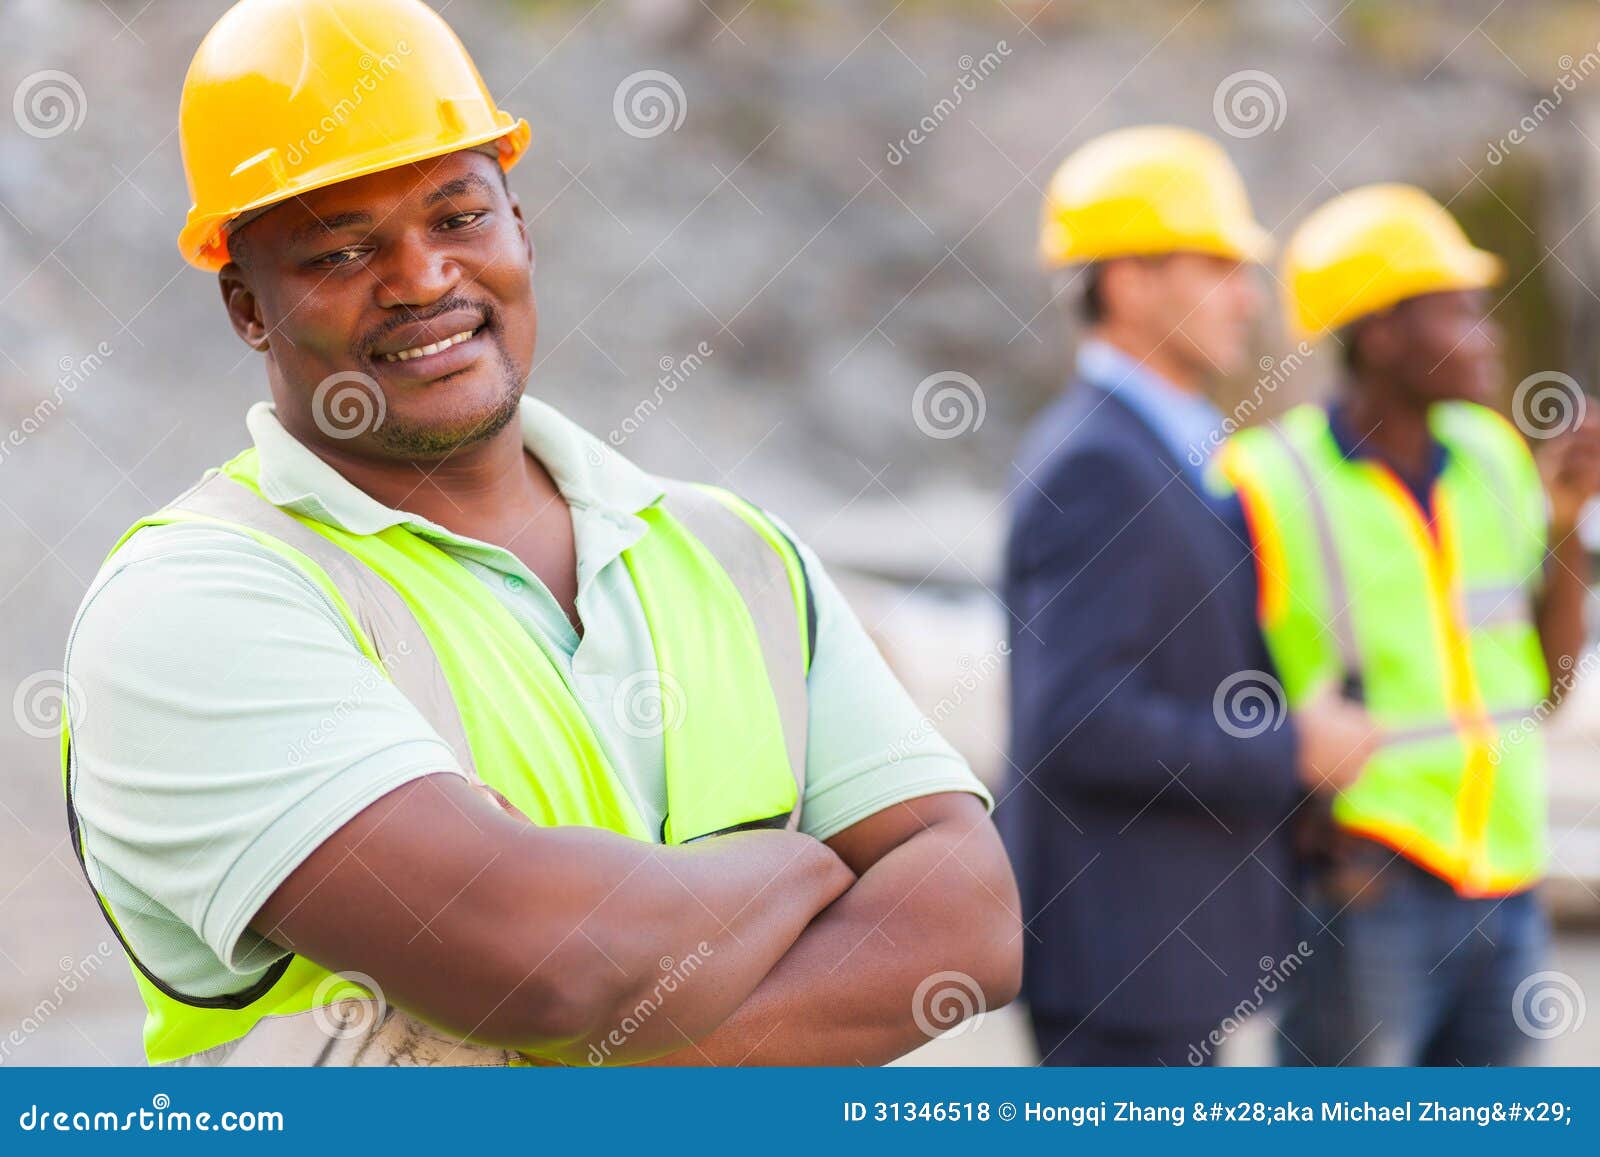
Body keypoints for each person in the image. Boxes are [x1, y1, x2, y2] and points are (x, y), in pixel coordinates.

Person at [61, 0, 1019, 1068]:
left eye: (458, 216)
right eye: (341, 249)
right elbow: (545, 959)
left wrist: (601, 1053)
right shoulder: (194, 602)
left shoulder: (736, 551)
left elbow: (969, 925)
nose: (423, 277)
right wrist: (806, 867)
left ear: (522, 225)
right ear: (247, 305)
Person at [1003, 125, 1377, 1067]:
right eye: (1216, 266)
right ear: (1127, 281)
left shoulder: (1170, 445)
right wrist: (1294, 749)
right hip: (1120, 961)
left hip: (1164, 948)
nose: (1248, 297)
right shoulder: (1097, 463)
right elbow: (1079, 720)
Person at [1217, 184, 1600, 1066]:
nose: (1491, 333)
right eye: (1460, 313)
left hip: (1504, 876)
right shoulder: (1267, 480)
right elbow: (1213, 683)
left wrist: (1570, 520)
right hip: (1366, 887)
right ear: (1381, 333)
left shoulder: (1494, 458)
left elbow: (1545, 684)